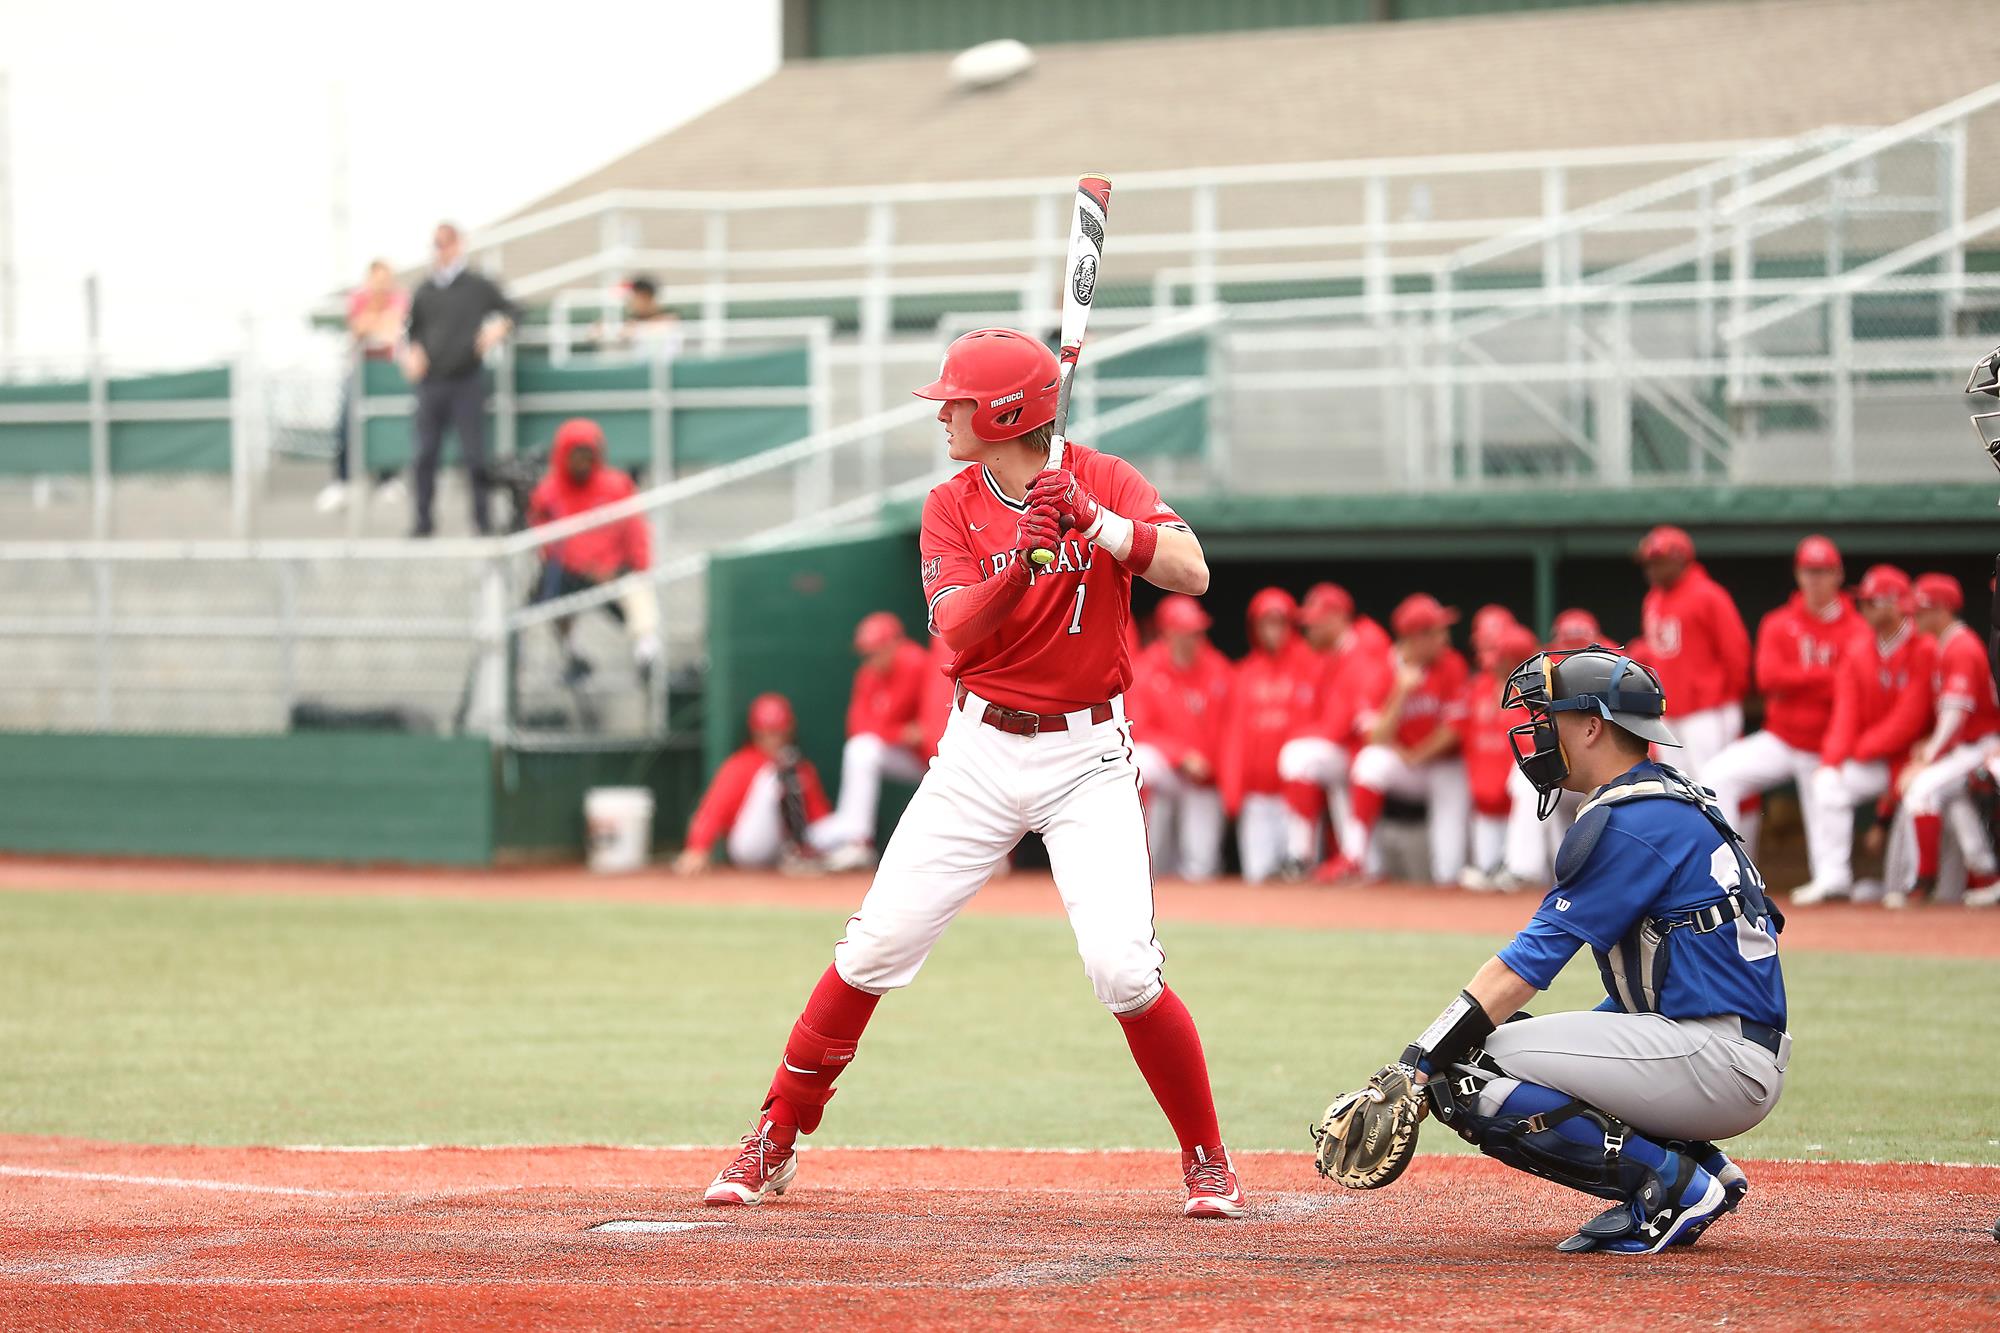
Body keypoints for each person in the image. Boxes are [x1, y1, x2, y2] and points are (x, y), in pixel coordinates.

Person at [703, 327, 1246, 1219]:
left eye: (956, 402)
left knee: (1123, 969)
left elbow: (1192, 571)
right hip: (979, 751)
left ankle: (1207, 1157)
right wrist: (1026, 557)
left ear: (1003, 414)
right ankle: (777, 1131)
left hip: (1087, 756)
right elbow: (958, 623)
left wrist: (1097, 523)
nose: (943, 415)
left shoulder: (1102, 477)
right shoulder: (949, 504)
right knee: (874, 945)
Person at [1314, 646, 1788, 1256]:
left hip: (1717, 1058)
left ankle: (1671, 1185)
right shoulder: (1668, 798)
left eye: (1550, 716)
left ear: (1591, 727)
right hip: (1721, 1045)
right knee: (1512, 1043)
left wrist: (1416, 1063)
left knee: (1469, 1068)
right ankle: (1701, 1167)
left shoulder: (1633, 819)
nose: (1538, 731)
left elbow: (1525, 966)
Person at [1702, 536, 1863, 865]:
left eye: (1822, 571)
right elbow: (1768, 678)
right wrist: (1827, 675)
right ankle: (1731, 871)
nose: (1815, 580)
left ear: (1838, 574)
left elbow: (1853, 688)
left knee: (1826, 847)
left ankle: (1834, 885)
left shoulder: (1857, 628)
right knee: (1716, 775)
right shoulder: (1778, 622)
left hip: (1826, 746)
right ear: (1798, 574)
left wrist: (1801, 679)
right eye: (1809, 571)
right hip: (1782, 738)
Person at [1795, 565, 1935, 905]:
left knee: (1902, 871)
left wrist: (1860, 749)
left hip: (1919, 758)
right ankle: (1833, 879)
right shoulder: (1859, 650)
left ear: (1896, 604)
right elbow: (1845, 714)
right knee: (1827, 782)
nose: (1864, 607)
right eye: (1864, 601)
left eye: (1873, 601)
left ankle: (1924, 887)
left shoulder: (1923, 646)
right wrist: (1833, 760)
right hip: (1876, 759)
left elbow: (1910, 720)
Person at [1317, 593, 1471, 886]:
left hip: (1442, 766)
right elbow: (1374, 737)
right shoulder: (1382, 670)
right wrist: (1400, 692)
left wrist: (1417, 754)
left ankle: (1448, 881)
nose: (1445, 637)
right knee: (1370, 762)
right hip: (1406, 767)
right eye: (1437, 631)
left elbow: (1454, 730)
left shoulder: (1452, 664)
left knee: (1448, 866)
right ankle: (1355, 857)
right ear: (1416, 637)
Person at [1884, 572, 2000, 909]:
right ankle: (1988, 877)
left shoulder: (1961, 646)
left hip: (1982, 744)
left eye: (1920, 611)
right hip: (1967, 746)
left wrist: (1929, 756)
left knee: (1921, 789)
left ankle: (1922, 881)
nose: (1914, 618)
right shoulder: (1945, 644)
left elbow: (1955, 715)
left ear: (1942, 610)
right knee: (1953, 802)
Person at [403, 222, 518, 537]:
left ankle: (483, 522)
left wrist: (500, 327)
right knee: (424, 455)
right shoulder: (424, 290)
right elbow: (413, 330)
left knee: (474, 456)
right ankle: (423, 523)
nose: (441, 250)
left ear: (458, 245)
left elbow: (514, 310)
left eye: (446, 243)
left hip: (467, 381)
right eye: (436, 244)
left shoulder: (478, 285)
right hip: (431, 383)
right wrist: (413, 351)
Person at [525, 418, 659, 685]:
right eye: (577, 456)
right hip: (571, 570)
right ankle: (572, 657)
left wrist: (636, 565)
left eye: (589, 455)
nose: (583, 463)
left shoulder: (615, 485)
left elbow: (635, 530)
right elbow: (544, 537)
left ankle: (647, 655)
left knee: (638, 591)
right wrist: (584, 565)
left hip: (612, 571)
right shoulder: (548, 491)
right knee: (549, 596)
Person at [1277, 583, 1393, 876]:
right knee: (1307, 761)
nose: (1309, 629)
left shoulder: (1366, 647)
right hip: (1350, 750)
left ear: (1338, 618)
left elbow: (1354, 725)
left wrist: (1312, 735)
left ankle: (1303, 856)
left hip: (1382, 749)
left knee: (1298, 755)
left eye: (1315, 622)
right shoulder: (1335, 653)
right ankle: (1320, 859)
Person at [811, 612, 933, 870]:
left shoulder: (918, 664)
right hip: (903, 754)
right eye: (867, 652)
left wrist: (905, 732)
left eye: (876, 651)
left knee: (864, 749)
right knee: (861, 749)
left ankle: (850, 838)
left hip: (933, 756)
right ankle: (856, 842)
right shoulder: (868, 675)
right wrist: (899, 733)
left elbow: (929, 725)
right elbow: (857, 728)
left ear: (894, 644)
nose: (870, 658)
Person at [1128, 594, 1232, 881]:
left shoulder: (1219, 668)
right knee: (1140, 761)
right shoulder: (1145, 669)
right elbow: (1137, 729)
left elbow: (1231, 731)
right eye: (1185, 632)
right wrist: (1181, 755)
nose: (1193, 639)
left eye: (1197, 631)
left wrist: (1226, 782)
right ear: (1168, 632)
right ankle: (1143, 863)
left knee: (1202, 866)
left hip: (1205, 776)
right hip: (1168, 772)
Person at [674, 694, 836, 874]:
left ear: (789, 731)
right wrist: (697, 847)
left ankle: (804, 854)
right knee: (773, 774)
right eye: (767, 733)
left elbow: (819, 819)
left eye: (779, 732)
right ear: (755, 733)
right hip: (748, 848)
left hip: (786, 849)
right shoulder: (740, 764)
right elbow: (713, 809)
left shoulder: (802, 769)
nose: (773, 739)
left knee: (788, 767)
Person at [1220, 588, 1318, 884]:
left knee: (1300, 881)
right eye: (1266, 623)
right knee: (1258, 880)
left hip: (1295, 798)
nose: (1273, 630)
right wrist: (1233, 790)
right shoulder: (1245, 672)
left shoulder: (1310, 665)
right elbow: (1234, 736)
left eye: (1280, 622)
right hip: (1257, 797)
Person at [1637, 526, 1751, 778]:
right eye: (1648, 563)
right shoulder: (1652, 599)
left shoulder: (1708, 595)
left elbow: (1736, 653)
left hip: (1708, 711)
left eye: (1658, 561)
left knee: (1713, 782)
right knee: (1676, 784)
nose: (1651, 569)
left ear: (1680, 559)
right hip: (1668, 711)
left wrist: (1725, 699)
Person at [318, 259, 410, 514]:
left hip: (387, 370)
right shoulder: (358, 298)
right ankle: (341, 481)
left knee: (388, 422)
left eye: (385, 279)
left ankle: (388, 479)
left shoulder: (399, 298)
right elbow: (359, 328)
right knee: (345, 423)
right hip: (359, 371)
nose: (381, 285)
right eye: (376, 279)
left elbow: (392, 330)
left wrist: (376, 322)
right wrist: (375, 319)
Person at [1462, 622, 1542, 891]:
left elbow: (1534, 743)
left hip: (1531, 795)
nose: (1492, 664)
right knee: (1488, 876)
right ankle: (1509, 870)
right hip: (1489, 800)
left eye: (1500, 658)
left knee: (1527, 776)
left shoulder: (1537, 690)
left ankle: (1522, 871)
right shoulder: (1482, 686)